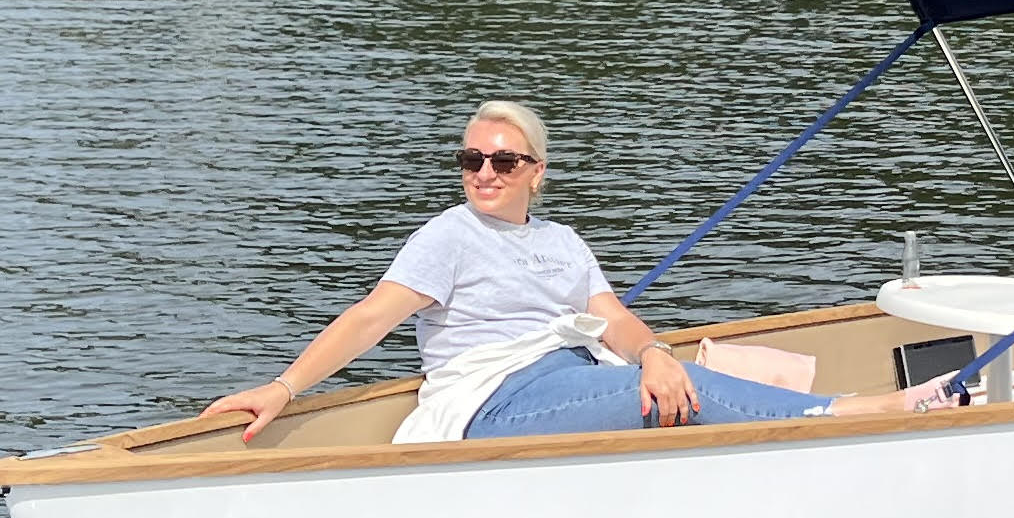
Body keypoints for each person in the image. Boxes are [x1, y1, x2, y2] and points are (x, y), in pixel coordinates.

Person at [201, 100, 941, 444]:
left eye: (504, 160)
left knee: (669, 371)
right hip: (494, 400)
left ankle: (811, 417)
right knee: (657, 393)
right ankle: (858, 415)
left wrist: (653, 351)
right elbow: (372, 316)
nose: (485, 172)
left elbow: (612, 318)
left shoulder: (561, 240)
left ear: (536, 173)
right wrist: (284, 387)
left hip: (567, 372)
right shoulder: (448, 236)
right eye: (472, 160)